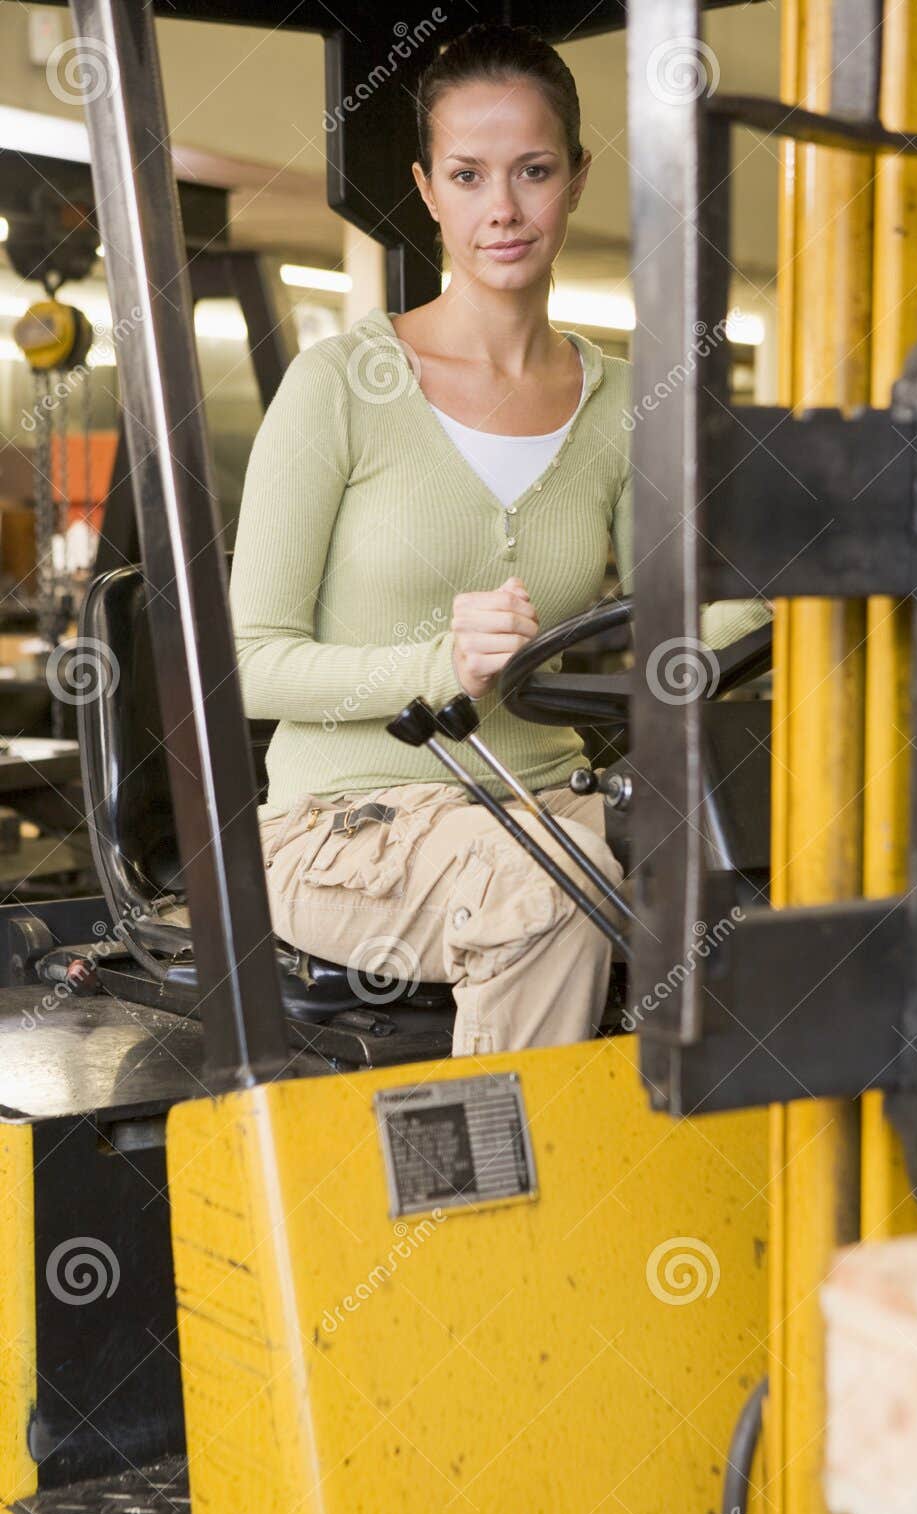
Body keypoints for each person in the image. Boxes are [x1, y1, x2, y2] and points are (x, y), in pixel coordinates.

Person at [229, 23, 768, 1057]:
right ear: (429, 190)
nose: (503, 209)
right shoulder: (339, 386)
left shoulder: (622, 401)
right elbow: (248, 664)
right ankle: (513, 1204)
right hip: (343, 827)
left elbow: (680, 607)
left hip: (552, 801)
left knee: (780, 866)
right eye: (469, 176)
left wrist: (784, 588)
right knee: (548, 893)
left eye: (531, 170)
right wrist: (439, 664)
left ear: (575, 179)